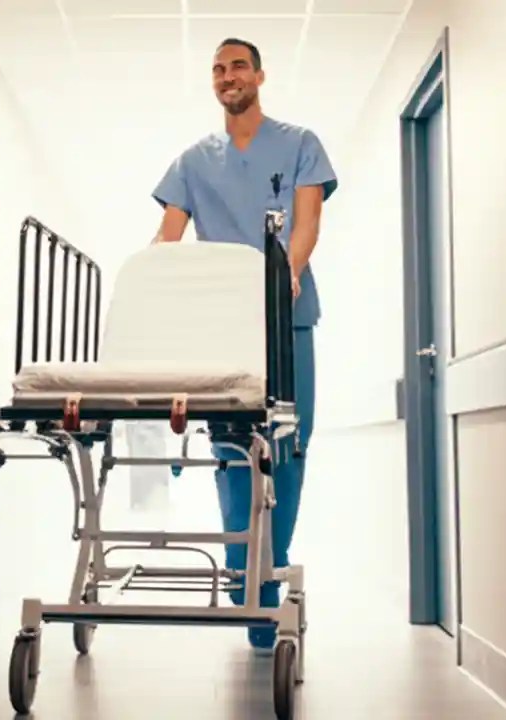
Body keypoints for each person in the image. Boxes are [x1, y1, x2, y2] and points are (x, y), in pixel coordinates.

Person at [150, 37, 337, 650]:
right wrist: (149, 289)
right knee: (231, 448)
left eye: (236, 66)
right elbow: (167, 236)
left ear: (259, 74)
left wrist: (287, 271)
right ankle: (243, 578)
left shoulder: (301, 144)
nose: (226, 76)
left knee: (286, 445)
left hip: (286, 318)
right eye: (217, 70)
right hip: (222, 325)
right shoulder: (193, 161)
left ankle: (269, 574)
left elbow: (307, 222)